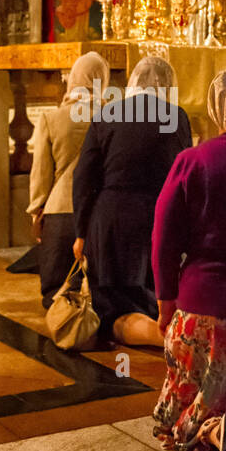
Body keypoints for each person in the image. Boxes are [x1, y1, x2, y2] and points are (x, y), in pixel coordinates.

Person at [151, 70, 226, 451]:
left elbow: (164, 238)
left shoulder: (193, 160)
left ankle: (209, 430)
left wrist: (165, 301)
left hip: (199, 305)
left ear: (216, 106)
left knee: (185, 394)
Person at [73, 55, 191, 347]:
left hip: (110, 218)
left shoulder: (107, 114)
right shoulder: (176, 117)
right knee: (152, 295)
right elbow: (183, 172)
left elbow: (84, 176)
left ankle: (155, 335)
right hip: (157, 215)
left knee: (113, 308)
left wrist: (80, 231)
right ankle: (166, 330)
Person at [28, 51, 109, 308]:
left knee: (54, 293)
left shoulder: (51, 119)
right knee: (94, 293)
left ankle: (63, 331)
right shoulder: (113, 118)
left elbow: (41, 171)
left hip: (59, 212)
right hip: (98, 213)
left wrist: (37, 211)